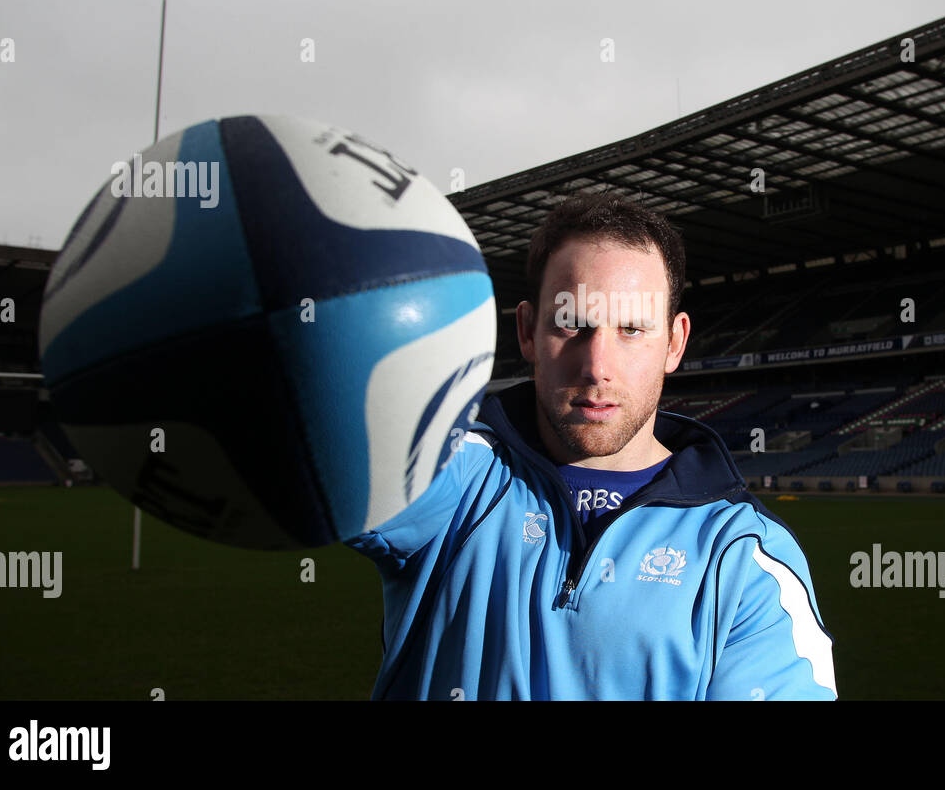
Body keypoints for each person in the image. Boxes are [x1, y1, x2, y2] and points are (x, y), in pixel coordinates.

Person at [345, 191, 837, 700]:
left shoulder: (742, 558)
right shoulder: (456, 473)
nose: (597, 366)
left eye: (631, 329)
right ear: (527, 332)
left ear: (674, 342)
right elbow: (309, 433)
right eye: (572, 324)